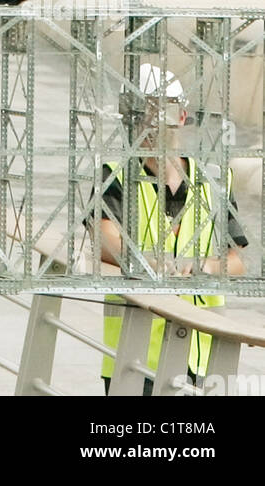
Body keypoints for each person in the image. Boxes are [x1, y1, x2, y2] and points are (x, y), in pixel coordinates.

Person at [90, 66, 246, 395]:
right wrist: (147, 261)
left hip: (201, 355)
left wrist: (205, 267)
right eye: (143, 111)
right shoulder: (114, 175)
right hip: (134, 353)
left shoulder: (215, 179)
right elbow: (104, 240)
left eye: (162, 110)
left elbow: (236, 262)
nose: (152, 121)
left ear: (182, 115)